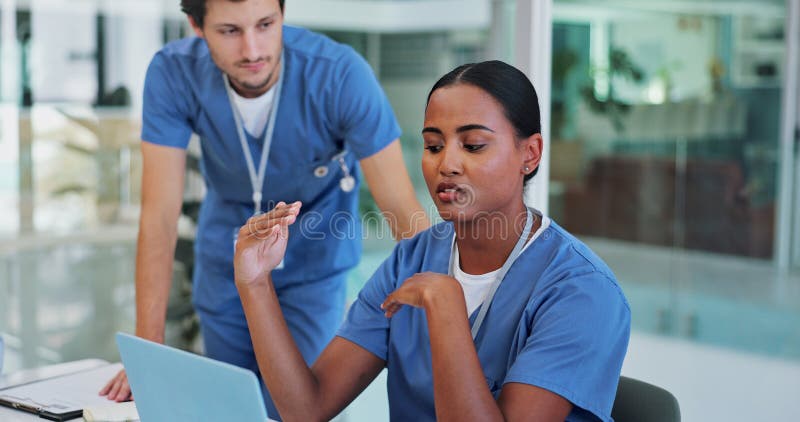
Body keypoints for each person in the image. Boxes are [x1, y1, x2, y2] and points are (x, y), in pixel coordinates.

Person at [233, 60, 631, 421]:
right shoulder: (411, 259)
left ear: (530, 154)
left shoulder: (582, 291)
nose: (447, 164)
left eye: (473, 145)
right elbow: (306, 409)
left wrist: (446, 306)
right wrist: (255, 283)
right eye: (433, 146)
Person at [99, 0, 429, 416]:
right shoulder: (174, 72)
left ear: (283, 15)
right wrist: (147, 355)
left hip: (313, 266)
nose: (252, 50)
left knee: (299, 407)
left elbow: (400, 208)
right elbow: (159, 216)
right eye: (230, 31)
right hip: (226, 262)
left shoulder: (340, 75)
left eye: (266, 24)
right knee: (232, 407)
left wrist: (448, 309)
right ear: (197, 26)